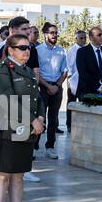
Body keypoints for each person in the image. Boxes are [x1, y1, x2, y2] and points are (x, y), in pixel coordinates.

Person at [0, 31, 46, 202]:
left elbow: (38, 98)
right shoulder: (1, 71)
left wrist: (42, 118)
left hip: (25, 131)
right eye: (21, 47)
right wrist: (32, 119)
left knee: (18, 174)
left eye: (28, 47)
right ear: (10, 49)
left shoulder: (27, 70)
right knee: (2, 175)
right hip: (6, 129)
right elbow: (7, 99)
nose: (27, 51)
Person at [34, 22, 69, 158]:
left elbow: (65, 71)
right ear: (45, 34)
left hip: (57, 87)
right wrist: (48, 86)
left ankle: (50, 146)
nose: (55, 35)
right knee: (40, 117)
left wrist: (57, 86)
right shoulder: (38, 50)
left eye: (56, 33)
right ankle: (35, 147)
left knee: (53, 119)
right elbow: (36, 72)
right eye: (52, 33)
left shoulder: (61, 51)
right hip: (43, 87)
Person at [75, 26, 102, 98]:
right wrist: (100, 87)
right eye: (99, 35)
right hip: (88, 94)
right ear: (91, 37)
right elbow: (83, 73)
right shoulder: (82, 52)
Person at [64, 29, 87, 131]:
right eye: (81, 38)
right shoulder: (72, 50)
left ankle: (81, 125)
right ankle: (69, 125)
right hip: (73, 82)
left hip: (84, 82)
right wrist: (69, 81)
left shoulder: (86, 50)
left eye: (85, 38)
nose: (83, 40)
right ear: (76, 39)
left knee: (83, 104)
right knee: (71, 103)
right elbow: (69, 67)